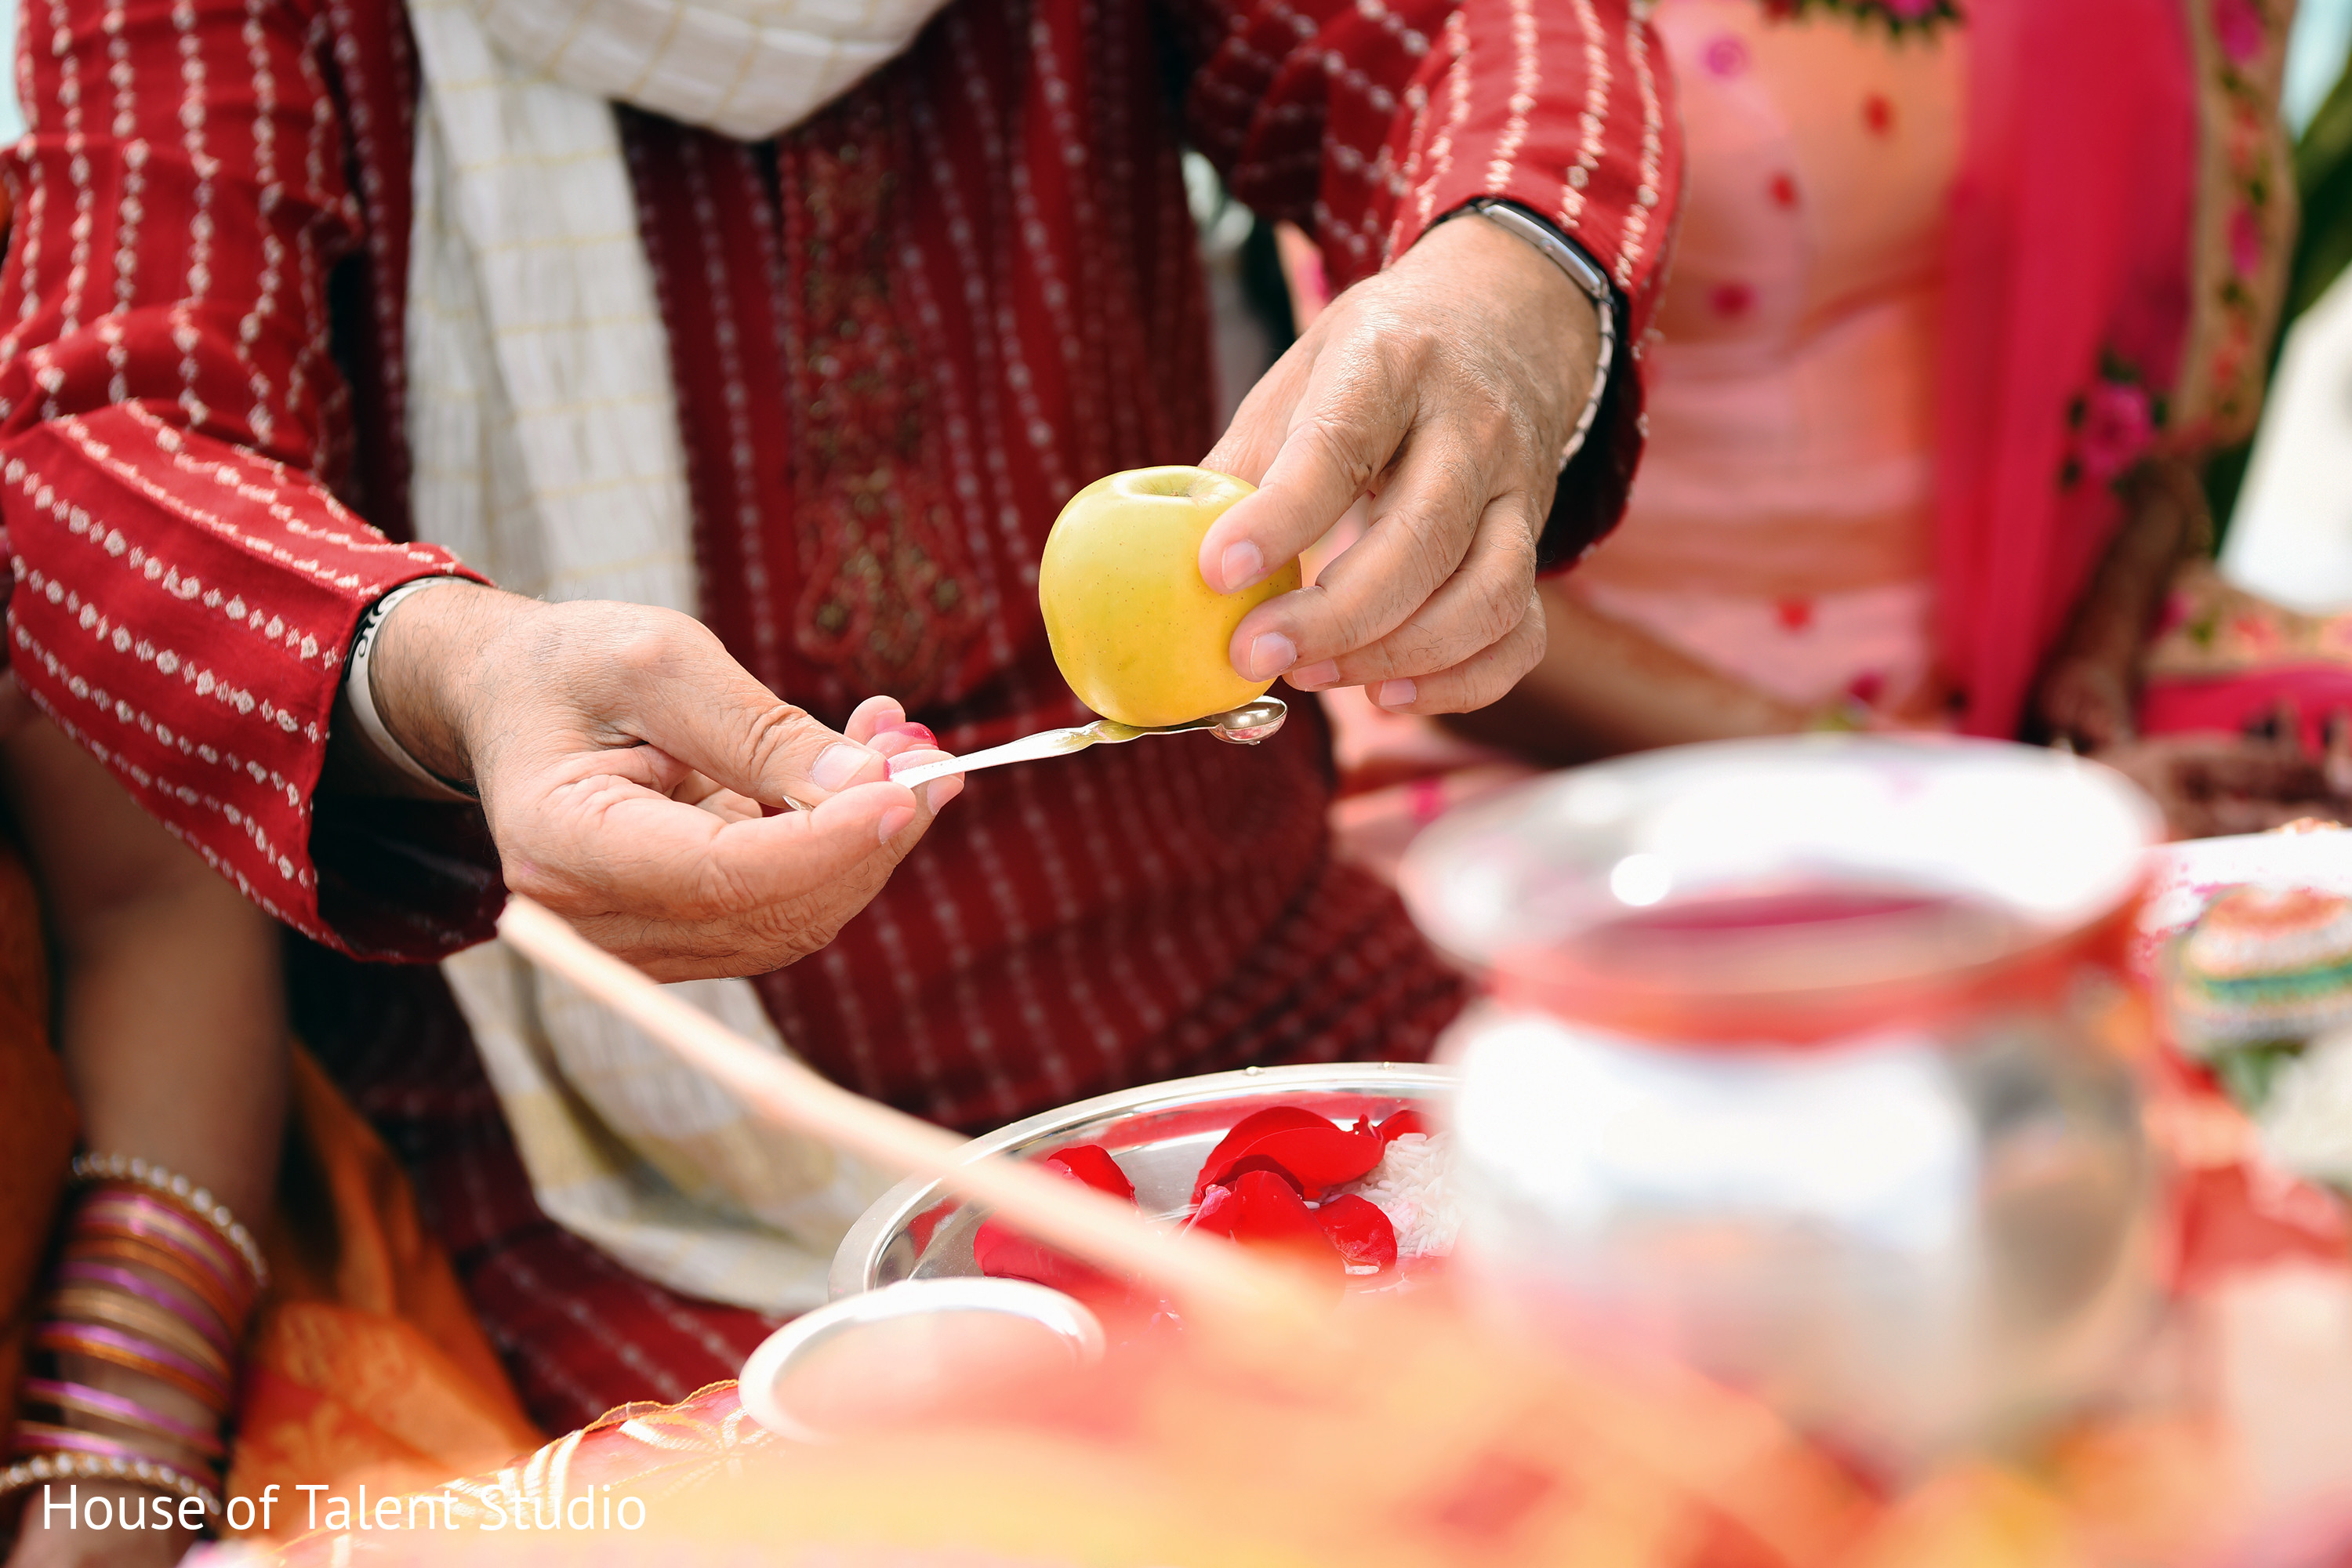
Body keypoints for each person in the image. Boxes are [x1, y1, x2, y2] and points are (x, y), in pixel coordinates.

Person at [0, 0, 1680, 1468]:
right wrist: (459, 671)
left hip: (1242, 1034)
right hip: (637, 1181)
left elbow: (1471, 32)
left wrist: (1512, 274)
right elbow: (105, 426)